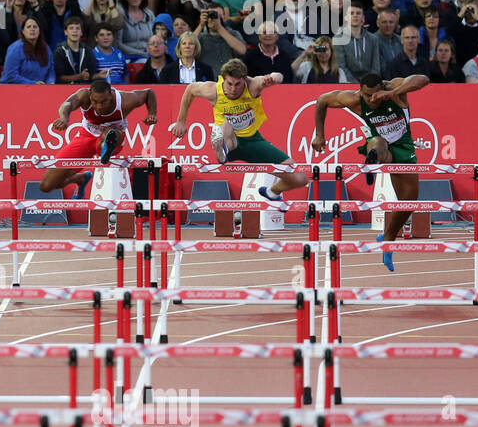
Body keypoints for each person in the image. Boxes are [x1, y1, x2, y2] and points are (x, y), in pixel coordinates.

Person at [311, 74, 430, 271]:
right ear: (361, 91)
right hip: (380, 141)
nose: (372, 100)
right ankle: (373, 160)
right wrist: (319, 134)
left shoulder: (395, 89)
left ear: (382, 87)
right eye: (367, 96)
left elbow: (423, 80)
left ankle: (388, 236)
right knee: (376, 144)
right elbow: (322, 100)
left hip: (403, 144)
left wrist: (391, 93)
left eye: (375, 95)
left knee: (409, 203)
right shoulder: (354, 99)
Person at [172, 59, 309, 201]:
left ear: (244, 79)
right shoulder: (213, 90)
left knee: (300, 179)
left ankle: (271, 192)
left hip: (253, 142)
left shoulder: (253, 85)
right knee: (227, 124)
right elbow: (190, 90)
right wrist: (181, 121)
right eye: (229, 84)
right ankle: (222, 150)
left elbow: (278, 76)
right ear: (223, 79)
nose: (233, 89)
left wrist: (273, 78)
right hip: (229, 140)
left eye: (238, 84)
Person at [38, 79, 157, 199]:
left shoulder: (125, 100)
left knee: (110, 131)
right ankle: (81, 178)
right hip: (86, 136)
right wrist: (64, 118)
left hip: (115, 138)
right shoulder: (84, 95)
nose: (99, 106)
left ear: (111, 95)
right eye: (95, 102)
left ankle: (105, 147)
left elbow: (148, 93)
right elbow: (67, 104)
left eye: (103, 102)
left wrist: (152, 114)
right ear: (90, 95)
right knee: (47, 185)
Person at [2, 17, 53, 84]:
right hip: (14, 89)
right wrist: (33, 83)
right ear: (23, 31)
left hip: (40, 88)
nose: (32, 29)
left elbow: (51, 71)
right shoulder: (15, 48)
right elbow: (10, 76)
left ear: (39, 31)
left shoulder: (46, 48)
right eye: (29, 27)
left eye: (35, 27)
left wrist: (51, 82)